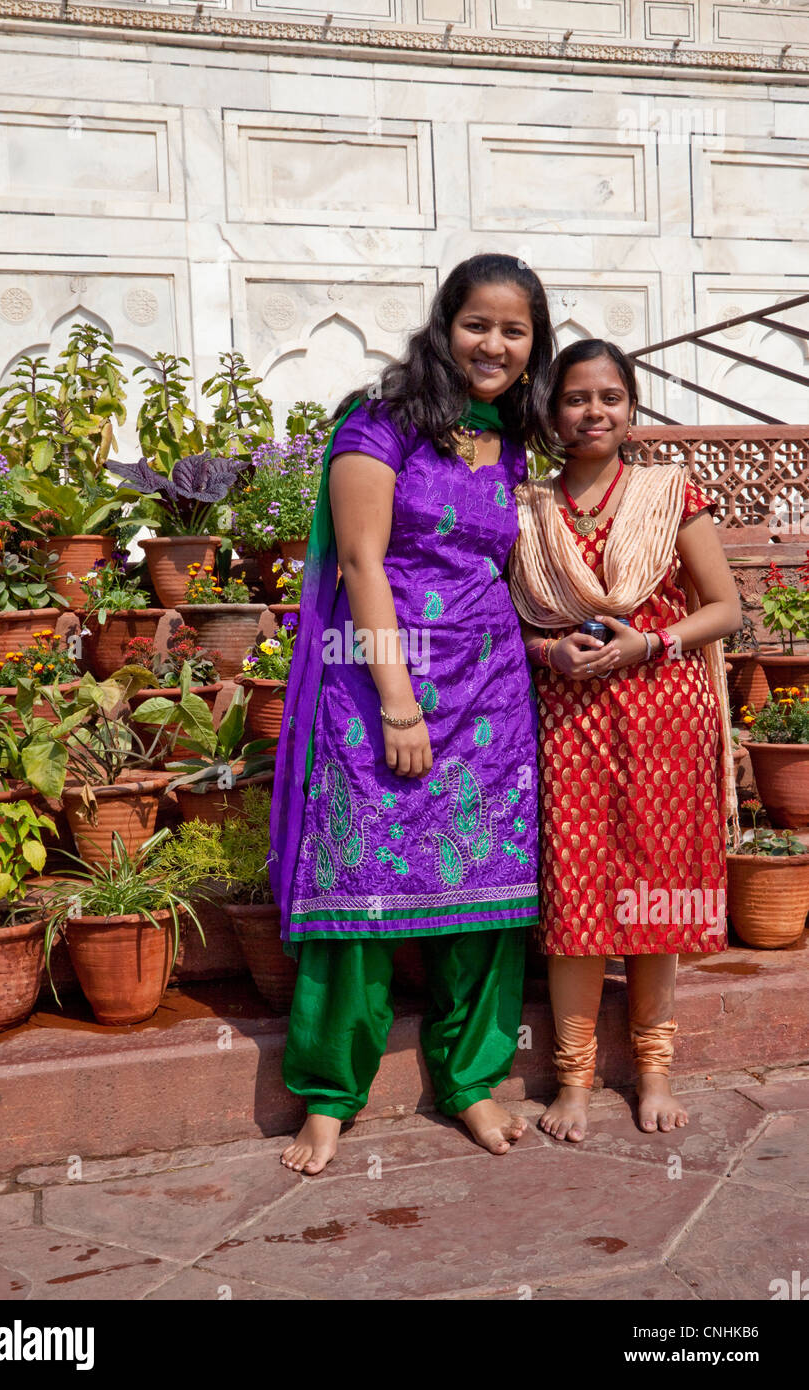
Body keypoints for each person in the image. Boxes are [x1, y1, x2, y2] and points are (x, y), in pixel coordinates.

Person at [269, 253, 556, 1174]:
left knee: (486, 898)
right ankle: (328, 1096)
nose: (495, 345)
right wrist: (396, 702)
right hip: (381, 683)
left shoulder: (508, 438)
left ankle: (471, 1081)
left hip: (493, 692)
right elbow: (361, 564)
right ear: (446, 324)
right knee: (360, 881)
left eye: (515, 331)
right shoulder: (381, 423)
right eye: (479, 324)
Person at [508, 339, 742, 1143]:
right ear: (551, 409)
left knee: (658, 891)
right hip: (571, 720)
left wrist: (651, 643)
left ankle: (654, 1071)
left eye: (610, 396)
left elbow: (725, 607)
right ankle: (571, 1082)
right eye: (576, 398)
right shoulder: (528, 507)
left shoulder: (668, 493)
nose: (593, 411)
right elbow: (507, 625)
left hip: (666, 713)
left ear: (631, 408)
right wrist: (549, 651)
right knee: (577, 898)